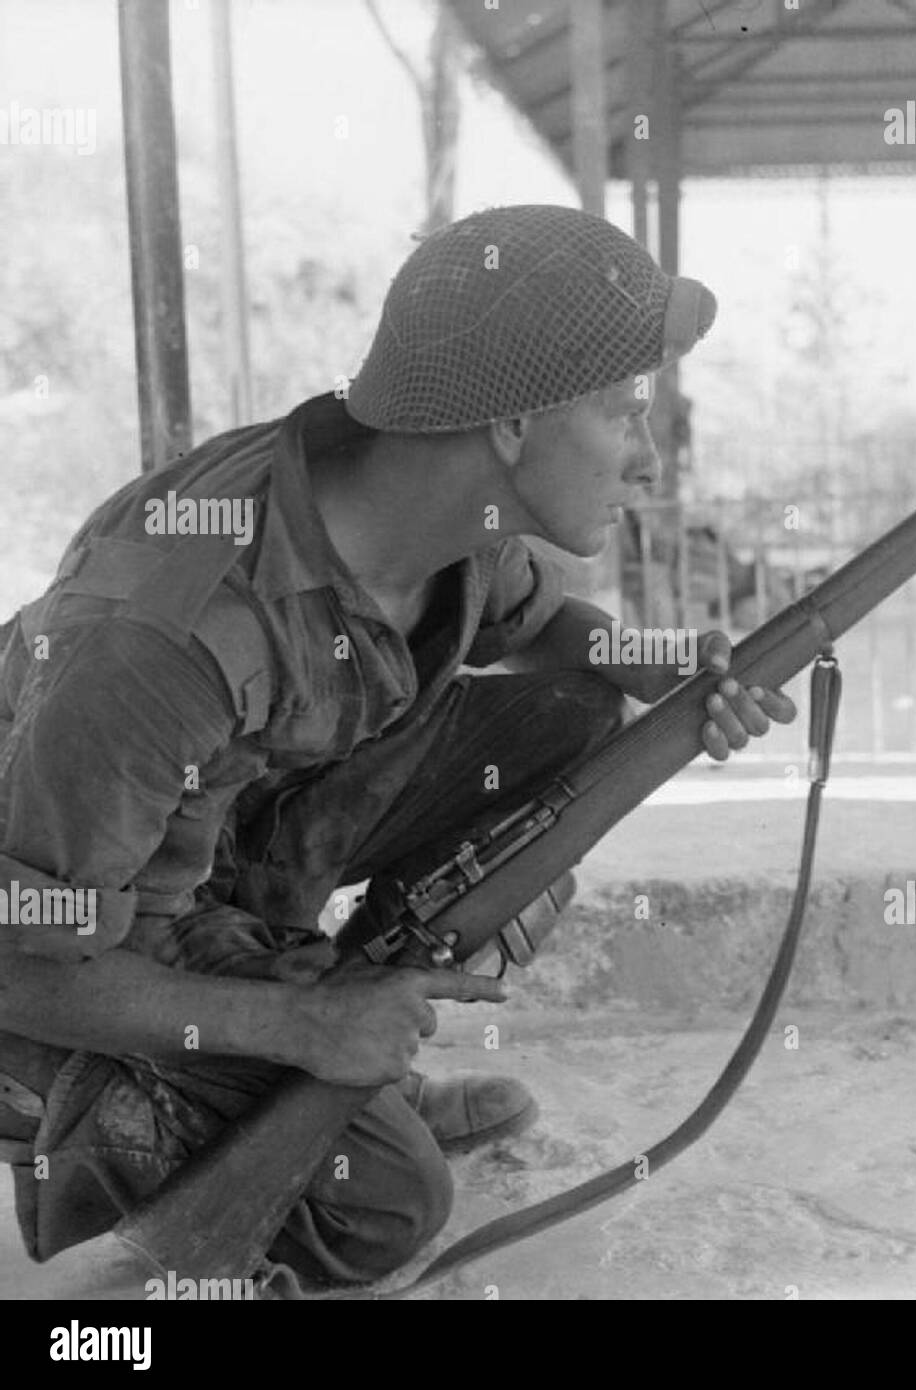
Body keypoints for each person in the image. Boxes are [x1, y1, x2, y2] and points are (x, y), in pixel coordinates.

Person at [0, 204, 796, 1289]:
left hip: (219, 852)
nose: (649, 460)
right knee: (390, 1208)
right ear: (511, 426)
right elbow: (17, 967)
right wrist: (299, 1026)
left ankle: (342, 1034)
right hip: (86, 938)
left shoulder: (440, 521)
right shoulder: (159, 636)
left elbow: (549, 627)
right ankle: (112, 1129)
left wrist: (662, 660)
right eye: (624, 414)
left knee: (577, 722)